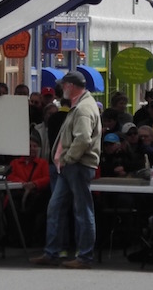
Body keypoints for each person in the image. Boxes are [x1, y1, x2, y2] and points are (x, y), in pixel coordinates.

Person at [32, 70, 101, 269]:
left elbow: (83, 139)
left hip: (77, 165)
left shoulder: (83, 108)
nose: (61, 88)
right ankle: (52, 252)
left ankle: (84, 256)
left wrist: (69, 158)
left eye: (63, 85)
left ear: (70, 86)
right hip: (70, 166)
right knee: (57, 207)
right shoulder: (80, 105)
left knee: (82, 210)